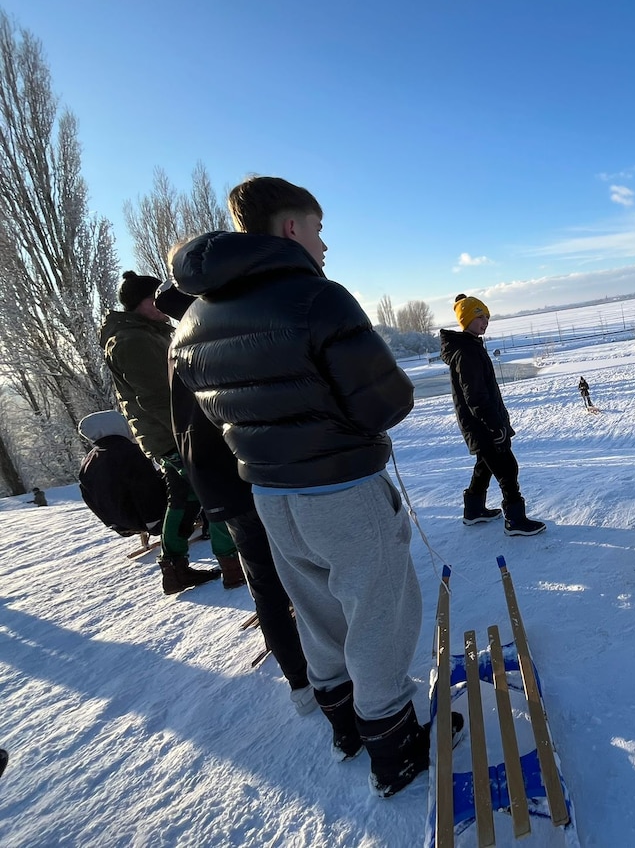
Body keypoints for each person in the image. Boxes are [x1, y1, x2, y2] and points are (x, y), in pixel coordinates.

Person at [171, 176, 430, 798]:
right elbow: (385, 402)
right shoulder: (317, 298)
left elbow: (206, 418)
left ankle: (344, 724)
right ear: (291, 228)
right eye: (317, 229)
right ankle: (393, 745)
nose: (323, 244)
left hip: (267, 494)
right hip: (339, 486)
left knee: (316, 610)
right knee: (378, 611)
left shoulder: (194, 319)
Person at [155, 283, 313, 715]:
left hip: (217, 480)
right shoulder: (211, 342)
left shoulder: (177, 348)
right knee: (299, 568)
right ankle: (322, 671)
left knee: (265, 578)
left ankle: (299, 681)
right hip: (252, 474)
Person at [100, 271, 232, 593]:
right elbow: (156, 398)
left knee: (184, 494)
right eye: (152, 300)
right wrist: (189, 433)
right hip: (173, 431)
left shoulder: (148, 332)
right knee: (212, 488)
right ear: (137, 304)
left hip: (172, 429)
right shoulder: (132, 340)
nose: (160, 305)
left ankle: (175, 569)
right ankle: (231, 560)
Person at [440, 294, 546, 535]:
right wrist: (494, 424)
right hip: (482, 423)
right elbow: (474, 394)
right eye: (479, 317)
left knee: (485, 464)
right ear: (466, 320)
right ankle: (515, 520)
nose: (485, 321)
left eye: (487, 317)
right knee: (507, 467)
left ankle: (473, 511)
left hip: (483, 421)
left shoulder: (471, 346)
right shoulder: (466, 352)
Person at [77, 410, 166, 538]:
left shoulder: (87, 462)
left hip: (120, 524)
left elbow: (90, 499)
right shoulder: (131, 452)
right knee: (174, 473)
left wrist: (112, 523)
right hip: (149, 520)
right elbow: (145, 488)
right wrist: (154, 523)